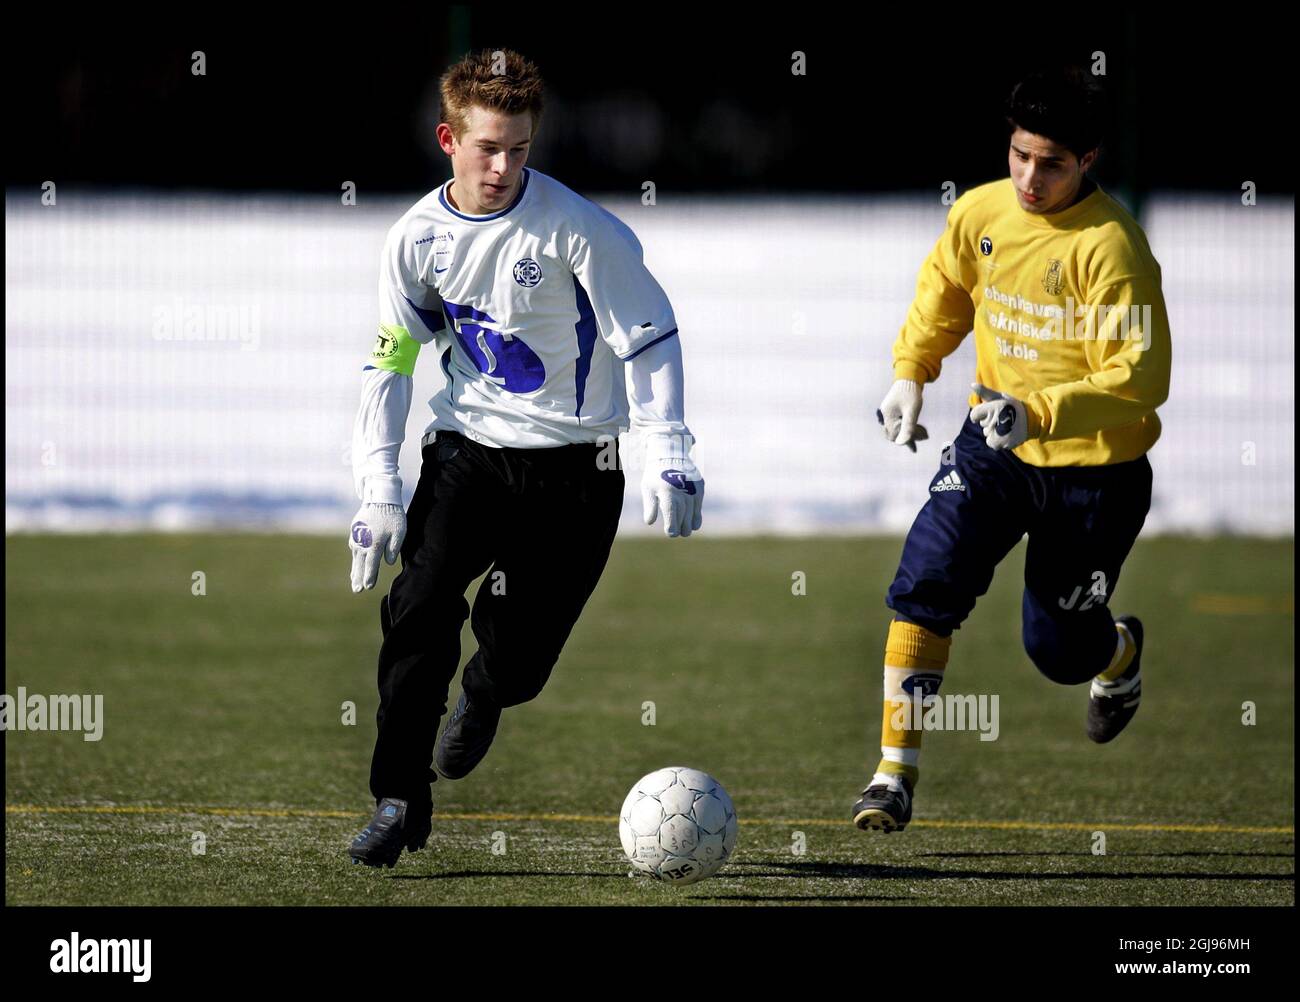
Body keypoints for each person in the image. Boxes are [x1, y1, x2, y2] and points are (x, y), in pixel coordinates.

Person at [346, 49, 704, 867]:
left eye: (519, 149)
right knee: (417, 610)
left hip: (578, 471)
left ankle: (487, 692)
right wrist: (378, 489)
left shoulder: (582, 231)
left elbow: (649, 336)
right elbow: (390, 362)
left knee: (519, 659)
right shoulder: (414, 240)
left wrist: (668, 447)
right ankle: (397, 796)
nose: (503, 168)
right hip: (467, 455)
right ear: (449, 139)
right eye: (487, 148)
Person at [855, 66, 1171, 832]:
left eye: (1052, 163)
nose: (1030, 178)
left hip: (1096, 475)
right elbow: (945, 291)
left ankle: (1117, 653)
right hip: (991, 450)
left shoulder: (1112, 248)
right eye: (1020, 155)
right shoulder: (981, 211)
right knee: (925, 584)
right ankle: (893, 774)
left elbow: (1141, 378)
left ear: (1087, 160)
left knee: (1057, 652)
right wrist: (910, 373)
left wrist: (1041, 412)